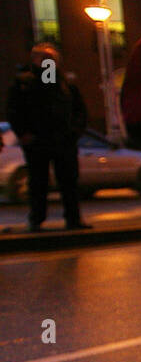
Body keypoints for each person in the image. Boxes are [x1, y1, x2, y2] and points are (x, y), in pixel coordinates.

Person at [5, 43, 88, 232]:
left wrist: (74, 132)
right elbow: (14, 110)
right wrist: (25, 133)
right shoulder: (26, 83)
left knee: (67, 181)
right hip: (39, 140)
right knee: (39, 181)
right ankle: (37, 219)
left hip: (61, 139)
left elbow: (79, 110)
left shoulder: (64, 83)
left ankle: (71, 219)